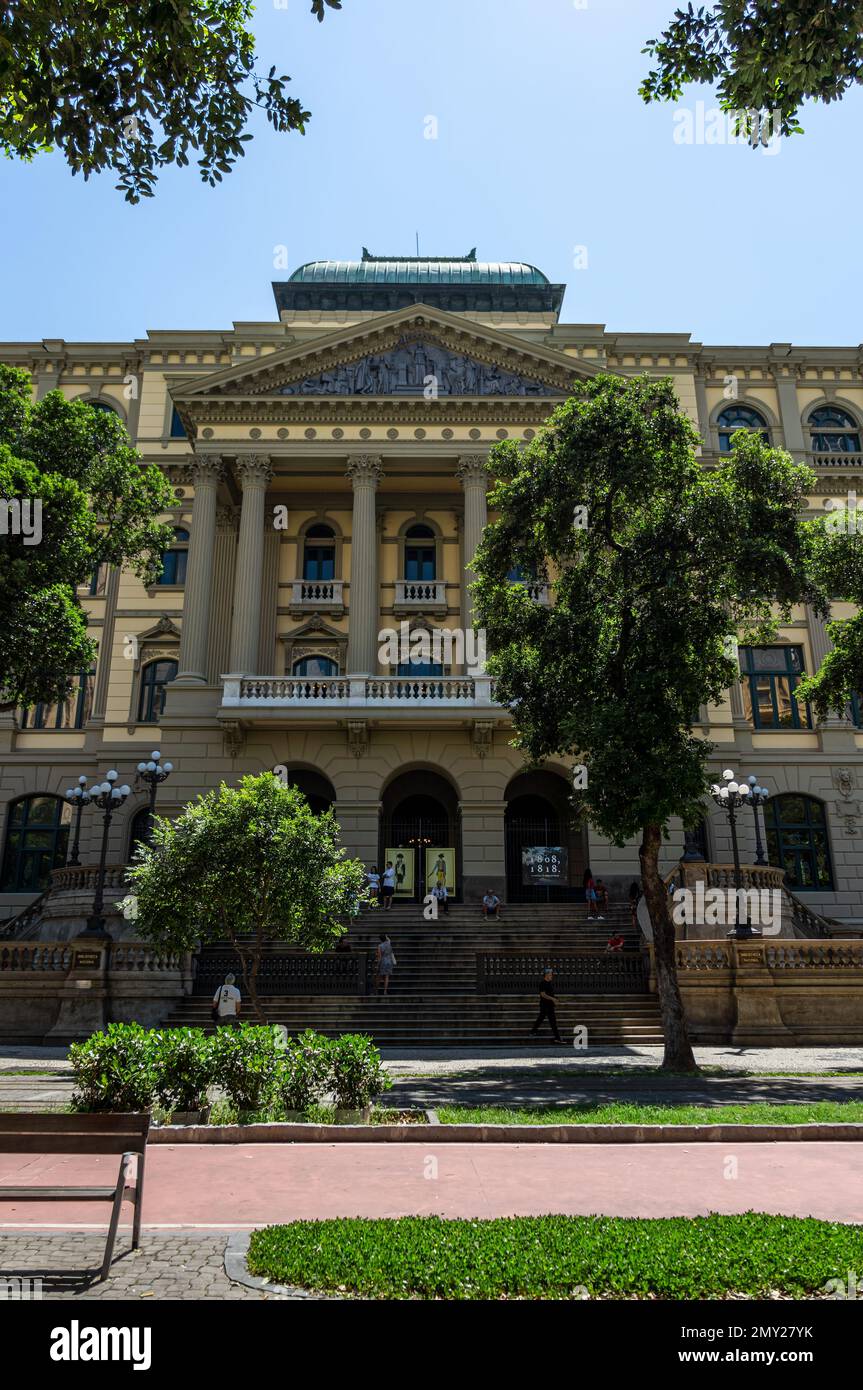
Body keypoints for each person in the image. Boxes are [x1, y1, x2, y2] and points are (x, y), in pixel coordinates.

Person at [530, 968, 563, 1043]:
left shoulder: (549, 983)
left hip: (549, 1005)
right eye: (550, 974)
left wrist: (554, 1000)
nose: (551, 976)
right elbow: (543, 994)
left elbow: (549, 994)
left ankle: (532, 1032)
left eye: (551, 974)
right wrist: (553, 999)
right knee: (552, 1022)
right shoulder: (543, 983)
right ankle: (557, 1038)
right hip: (545, 1006)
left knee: (541, 1019)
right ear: (546, 975)